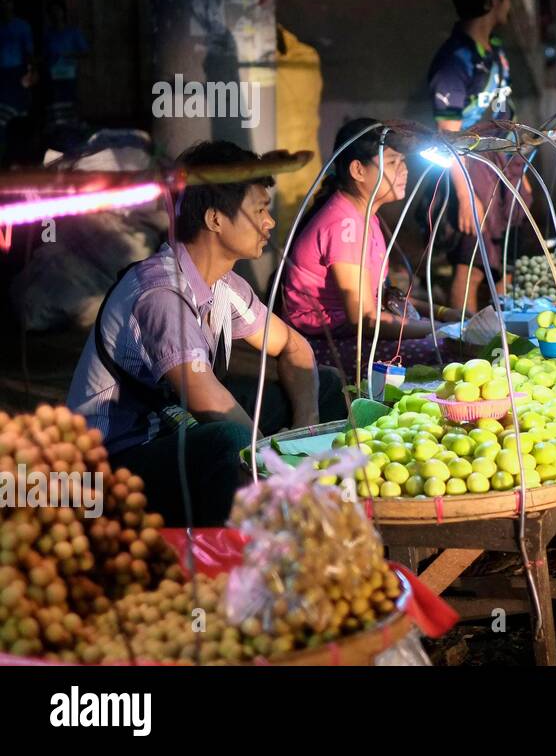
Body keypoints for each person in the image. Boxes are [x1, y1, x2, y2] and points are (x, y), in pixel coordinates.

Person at [65, 140, 347, 527]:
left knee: (324, 385)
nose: (270, 222)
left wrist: (305, 429)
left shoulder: (224, 284)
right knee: (231, 442)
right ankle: (232, 554)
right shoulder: (161, 293)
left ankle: (300, 509)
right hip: (118, 462)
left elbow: (293, 348)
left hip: (176, 430)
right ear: (215, 219)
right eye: (260, 210)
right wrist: (274, 461)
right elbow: (207, 400)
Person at [283, 119, 444, 377]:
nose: (404, 170)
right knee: (444, 349)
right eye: (392, 162)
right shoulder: (345, 225)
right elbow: (365, 319)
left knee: (449, 336)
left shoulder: (365, 215)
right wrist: (438, 329)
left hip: (347, 334)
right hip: (320, 346)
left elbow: (378, 296)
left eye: (403, 161)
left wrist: (446, 315)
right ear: (358, 170)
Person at [426, 0, 528, 313]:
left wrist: (521, 170)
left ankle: (506, 337)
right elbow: (447, 136)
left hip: (502, 167)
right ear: (492, 0)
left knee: (503, 264)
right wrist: (465, 195)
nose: (508, 3)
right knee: (469, 268)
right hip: (470, 171)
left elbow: (506, 114)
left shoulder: (496, 54)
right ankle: (461, 346)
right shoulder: (454, 61)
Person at [42, 0, 89, 120]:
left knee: (70, 100)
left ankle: (73, 124)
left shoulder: (73, 32)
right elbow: (44, 54)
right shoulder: (47, 34)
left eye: (58, 10)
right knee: (55, 101)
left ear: (63, 12)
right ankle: (58, 125)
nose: (55, 13)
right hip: (53, 73)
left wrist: (69, 54)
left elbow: (85, 52)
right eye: (52, 11)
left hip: (69, 72)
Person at [0, 0, 35, 143]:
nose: (4, 5)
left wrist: (30, 72)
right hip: (1, 74)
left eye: (7, 1)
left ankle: (16, 154)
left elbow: (29, 52)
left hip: (16, 73)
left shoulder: (22, 26)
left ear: (12, 4)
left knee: (16, 113)